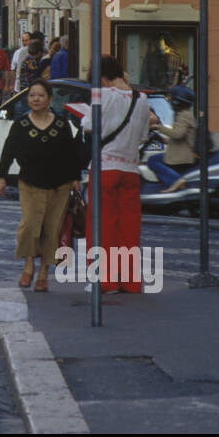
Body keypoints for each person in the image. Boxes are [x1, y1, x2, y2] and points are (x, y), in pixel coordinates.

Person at [0, 78, 82, 290]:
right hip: (30, 183)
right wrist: (2, 176)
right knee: (29, 227)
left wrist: (75, 178)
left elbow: (71, 154)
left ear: (50, 99)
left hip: (59, 185)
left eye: (40, 95)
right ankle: (28, 267)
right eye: (32, 95)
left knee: (51, 229)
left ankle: (43, 272)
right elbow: (8, 150)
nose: (35, 99)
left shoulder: (61, 125)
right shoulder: (21, 125)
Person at [79, 55, 152, 293]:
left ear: (102, 76)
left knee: (102, 225)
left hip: (105, 167)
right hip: (130, 168)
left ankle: (104, 280)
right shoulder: (142, 99)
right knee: (129, 227)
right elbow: (142, 136)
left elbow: (88, 125)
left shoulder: (103, 95)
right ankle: (129, 281)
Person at [148, 84, 198, 190]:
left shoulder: (184, 115)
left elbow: (178, 134)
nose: (170, 101)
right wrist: (163, 140)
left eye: (172, 99)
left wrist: (158, 127)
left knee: (153, 160)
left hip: (183, 157)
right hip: (180, 153)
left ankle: (175, 181)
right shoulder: (182, 114)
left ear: (178, 101)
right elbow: (180, 138)